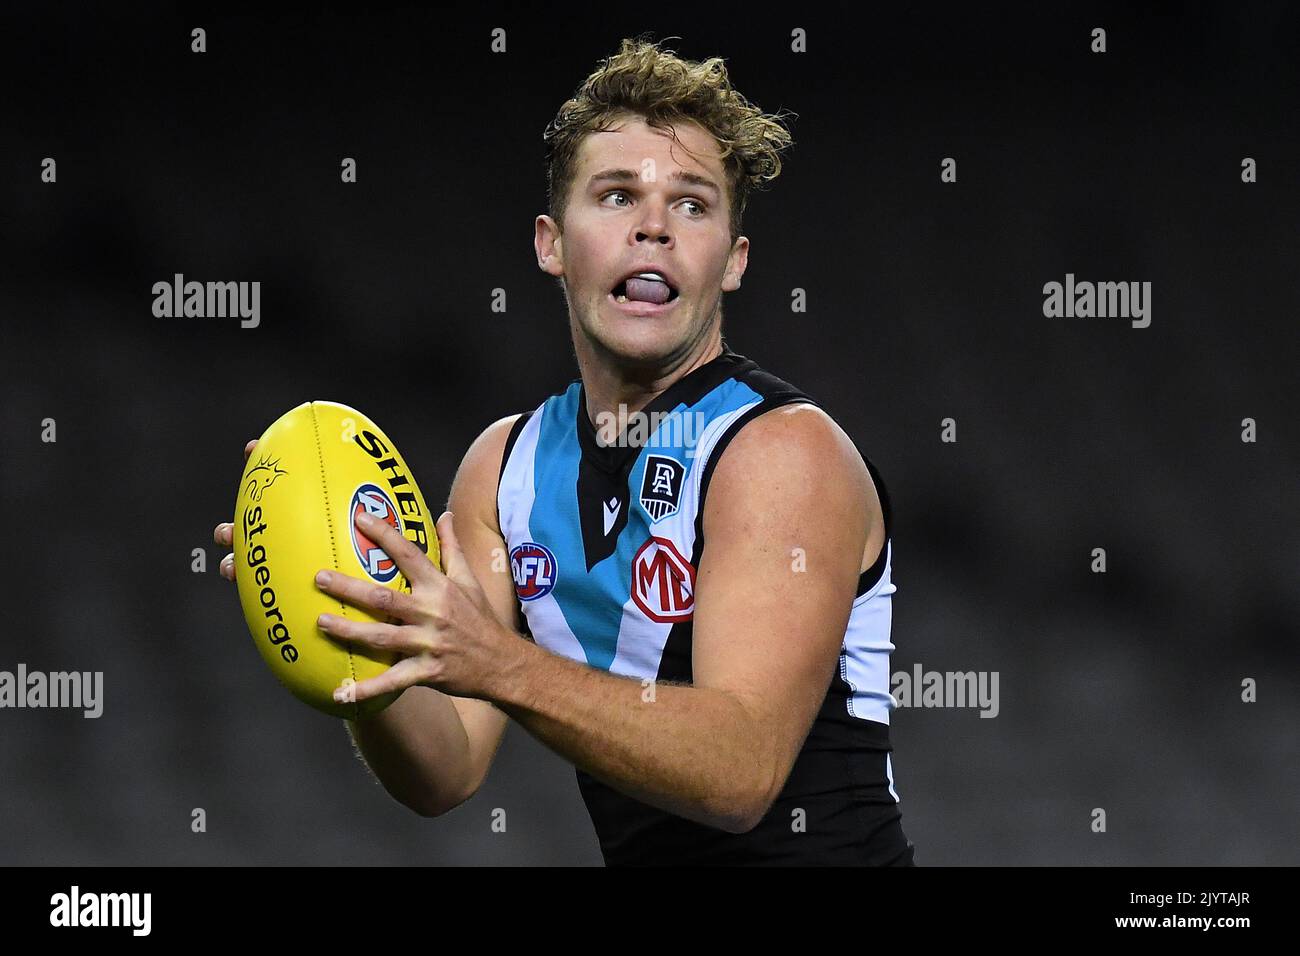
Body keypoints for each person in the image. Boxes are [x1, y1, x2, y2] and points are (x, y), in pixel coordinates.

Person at [215, 37, 915, 866]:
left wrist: (499, 663)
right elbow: (445, 769)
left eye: (692, 205)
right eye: (617, 195)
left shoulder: (780, 453)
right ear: (550, 243)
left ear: (732, 262)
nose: (654, 225)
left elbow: (740, 771)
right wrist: (368, 635)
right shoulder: (503, 469)